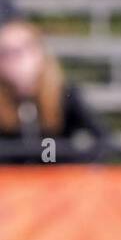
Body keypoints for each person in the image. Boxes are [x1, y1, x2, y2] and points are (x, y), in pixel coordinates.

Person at [0, 20, 109, 164]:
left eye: (18, 51)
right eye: (4, 53)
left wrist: (76, 166)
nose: (12, 60)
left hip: (57, 182)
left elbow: (103, 139)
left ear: (38, 52)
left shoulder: (63, 94)